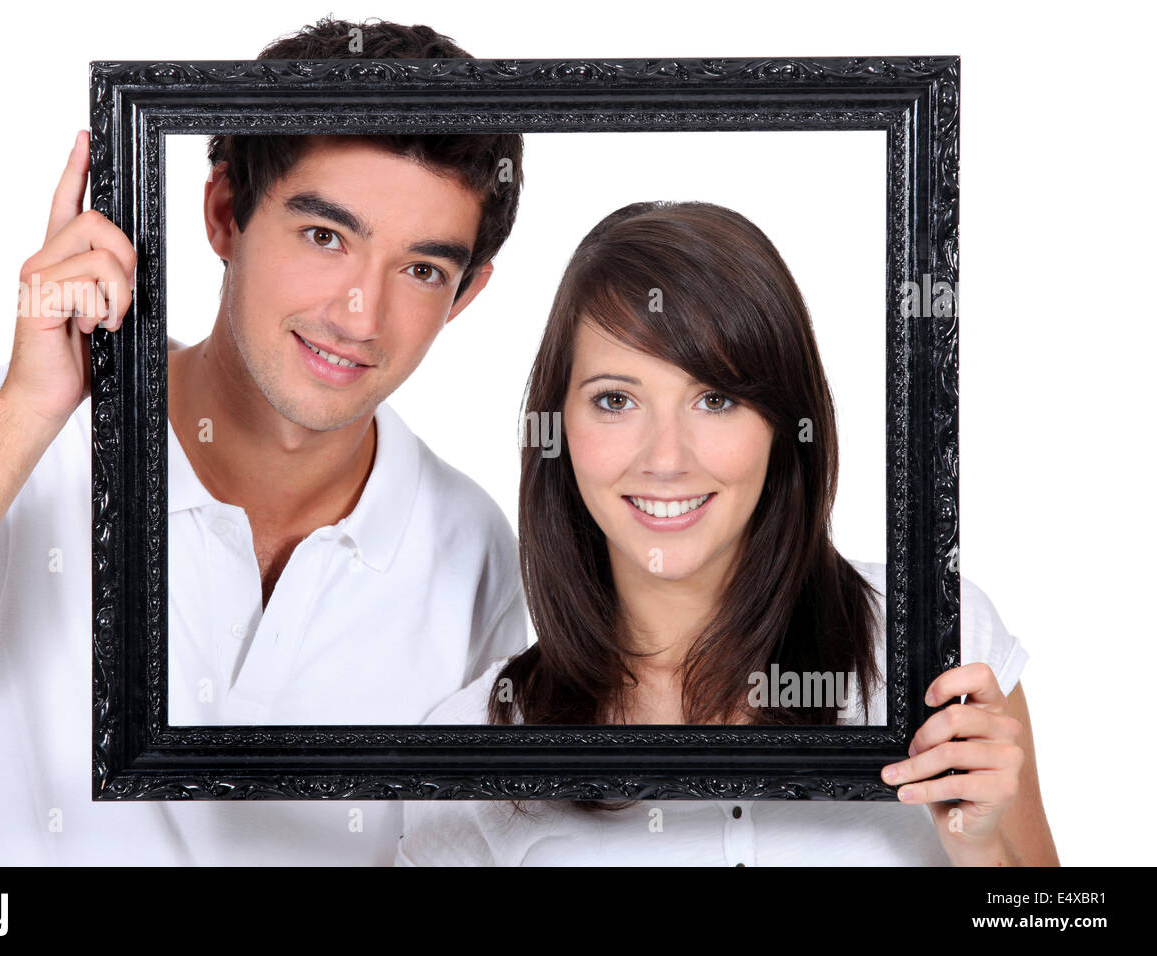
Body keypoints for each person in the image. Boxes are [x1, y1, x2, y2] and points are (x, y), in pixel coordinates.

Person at [0, 18, 527, 865]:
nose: (360, 313)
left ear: (464, 295)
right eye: (325, 236)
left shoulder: (471, 549)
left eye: (422, 269)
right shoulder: (18, 434)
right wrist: (28, 413)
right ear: (223, 215)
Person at [395, 201, 1058, 866]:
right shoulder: (467, 756)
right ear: (557, 429)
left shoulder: (937, 642)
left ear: (783, 423)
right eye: (615, 400)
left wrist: (981, 851)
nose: (666, 458)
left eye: (716, 399)